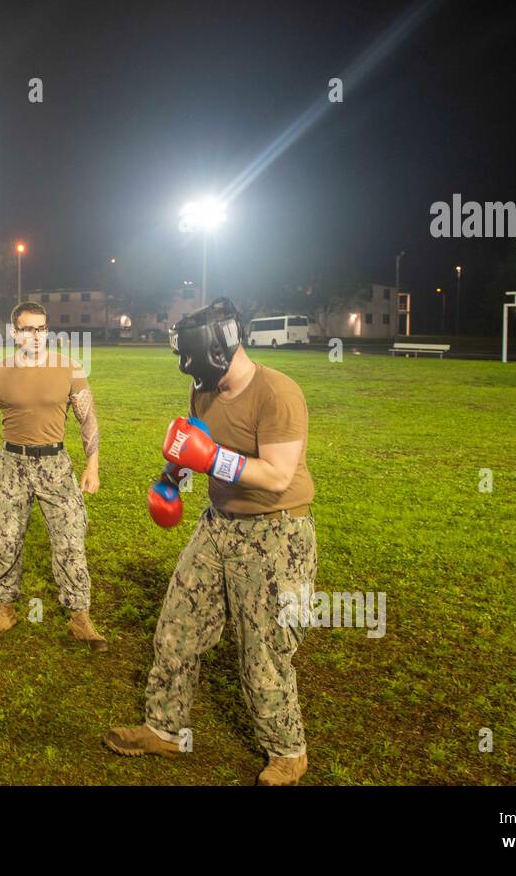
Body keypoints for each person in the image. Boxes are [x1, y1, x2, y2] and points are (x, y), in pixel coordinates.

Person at [105, 298, 318, 786]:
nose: (188, 371)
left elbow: (278, 475)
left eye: (192, 361)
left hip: (275, 532)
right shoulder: (203, 391)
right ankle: (164, 728)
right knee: (177, 623)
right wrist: (169, 481)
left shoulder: (278, 393)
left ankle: (287, 751)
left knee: (262, 648)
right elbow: (189, 447)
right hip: (217, 523)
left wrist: (214, 458)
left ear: (218, 352)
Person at [0, 301, 108, 650]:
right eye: (28, 329)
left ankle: (79, 617)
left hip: (56, 465)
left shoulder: (69, 368)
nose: (37, 336)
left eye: (42, 328)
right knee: (7, 540)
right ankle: (6, 609)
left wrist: (93, 464)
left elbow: (87, 419)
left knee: (71, 540)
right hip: (12, 464)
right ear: (14, 333)